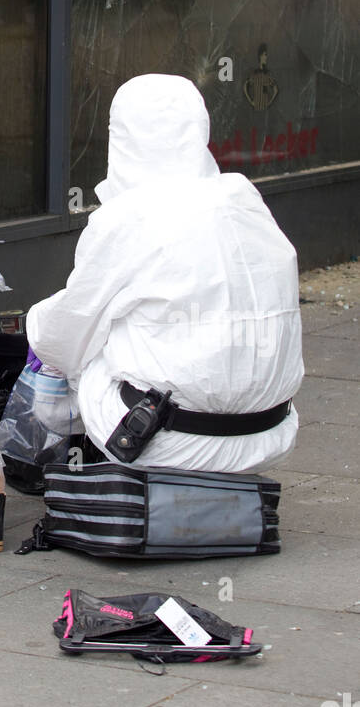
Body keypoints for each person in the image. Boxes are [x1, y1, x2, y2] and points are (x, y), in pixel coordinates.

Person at [25, 74, 303, 472]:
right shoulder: (244, 197)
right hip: (270, 435)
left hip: (169, 441)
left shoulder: (126, 216)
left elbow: (66, 333)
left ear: (119, 137)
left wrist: (38, 328)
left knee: (78, 340)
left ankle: (74, 453)